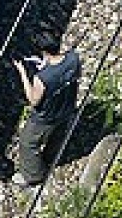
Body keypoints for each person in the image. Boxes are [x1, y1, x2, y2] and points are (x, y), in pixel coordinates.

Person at [11, 31, 80, 187]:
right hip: (67, 107)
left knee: (28, 143)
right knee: (58, 134)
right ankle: (52, 157)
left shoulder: (43, 78)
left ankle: (33, 175)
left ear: (43, 51)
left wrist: (22, 72)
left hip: (46, 117)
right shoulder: (73, 59)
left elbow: (34, 100)